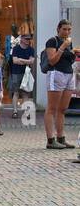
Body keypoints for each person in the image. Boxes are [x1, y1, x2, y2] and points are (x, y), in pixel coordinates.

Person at [43, 20, 75, 149]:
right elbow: (52, 60)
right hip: (56, 74)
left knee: (63, 108)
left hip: (68, 74)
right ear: (58, 29)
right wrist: (62, 47)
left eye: (69, 29)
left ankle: (61, 138)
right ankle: (50, 140)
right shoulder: (52, 41)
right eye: (64, 29)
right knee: (52, 108)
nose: (67, 32)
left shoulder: (69, 42)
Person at [8, 31, 36, 118]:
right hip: (16, 72)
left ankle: (26, 112)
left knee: (25, 93)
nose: (28, 40)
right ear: (22, 39)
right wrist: (26, 61)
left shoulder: (31, 49)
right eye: (26, 39)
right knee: (16, 92)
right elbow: (14, 61)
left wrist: (21, 60)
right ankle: (15, 111)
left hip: (26, 74)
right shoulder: (16, 48)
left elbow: (32, 61)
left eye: (29, 39)